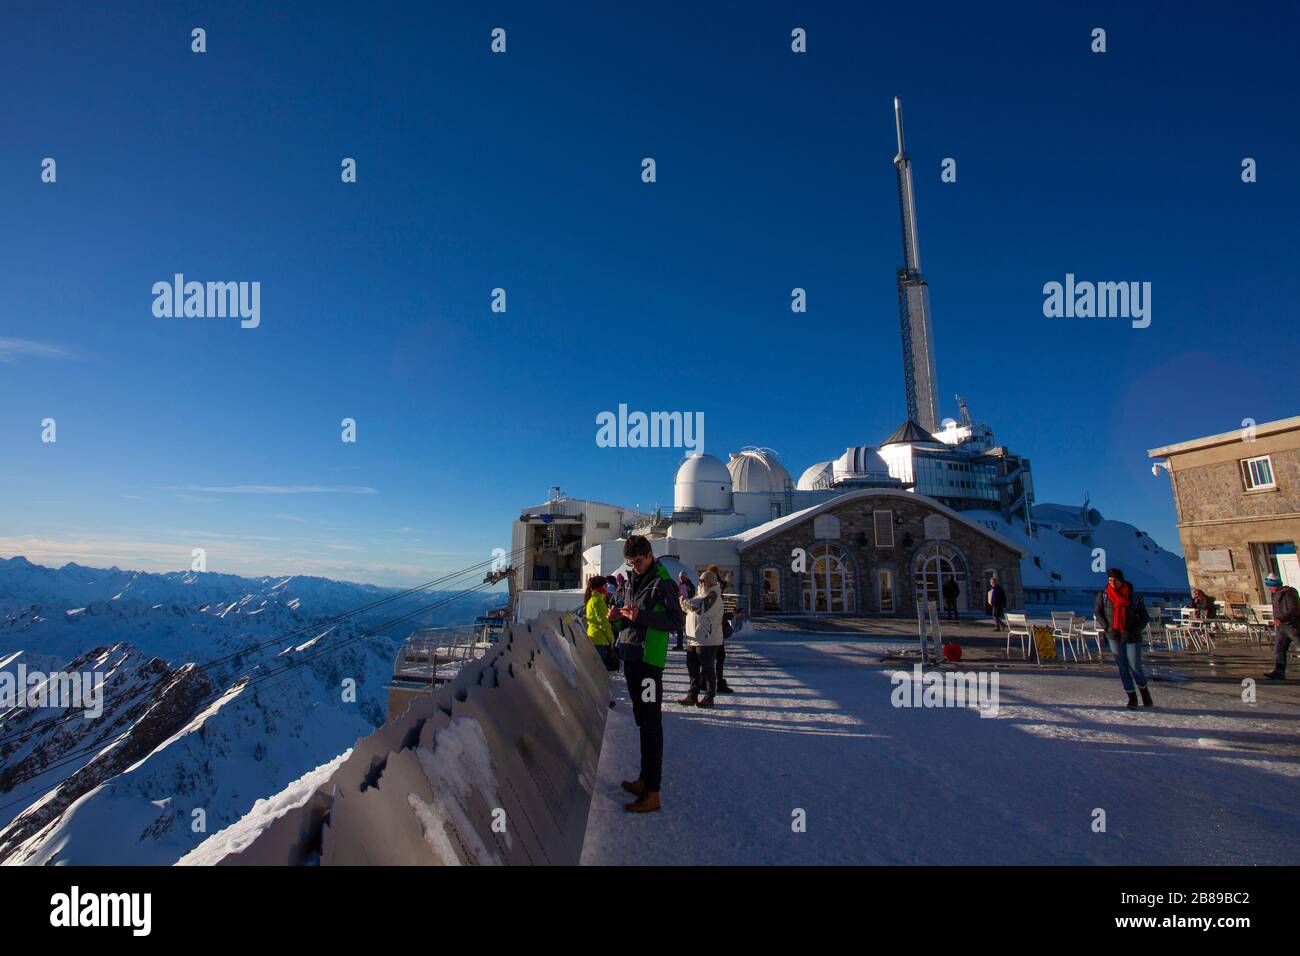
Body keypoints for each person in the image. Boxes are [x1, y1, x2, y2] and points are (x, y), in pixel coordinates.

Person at [609, 535, 683, 813]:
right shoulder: (631, 580)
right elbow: (630, 614)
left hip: (649, 661)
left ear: (650, 554)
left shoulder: (663, 582)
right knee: (642, 721)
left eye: (639, 562)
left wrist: (639, 616)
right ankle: (644, 779)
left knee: (651, 725)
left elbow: (676, 621)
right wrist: (617, 618)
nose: (635, 566)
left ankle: (653, 792)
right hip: (631, 654)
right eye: (631, 563)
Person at [1094, 567, 1153, 708]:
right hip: (1113, 635)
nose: (1113, 583)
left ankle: (1145, 693)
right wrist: (1106, 627)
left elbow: (1144, 616)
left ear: (1121, 581)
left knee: (1135, 666)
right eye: (1110, 580)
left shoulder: (1133, 596)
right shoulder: (1104, 595)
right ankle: (1132, 698)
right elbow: (1098, 611)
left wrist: (1135, 630)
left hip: (1131, 636)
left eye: (1115, 580)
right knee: (1122, 667)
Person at [678, 570, 724, 708]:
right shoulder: (699, 594)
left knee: (708, 669)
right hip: (693, 638)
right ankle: (692, 695)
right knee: (692, 668)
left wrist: (685, 602)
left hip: (707, 639)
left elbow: (701, 609)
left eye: (703, 580)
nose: (700, 582)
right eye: (700, 580)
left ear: (711, 581)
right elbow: (689, 608)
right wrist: (683, 601)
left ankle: (709, 697)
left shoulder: (714, 595)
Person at [1262, 574, 1300, 680]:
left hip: (1292, 626)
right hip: (1281, 627)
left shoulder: (1289, 593)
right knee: (1279, 649)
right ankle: (1279, 672)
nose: (1269, 588)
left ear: (1277, 585)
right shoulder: (1275, 594)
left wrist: (1281, 619)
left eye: (1271, 586)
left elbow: (1294, 609)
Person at [706, 564, 734, 692]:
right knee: (719, 656)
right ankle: (717, 682)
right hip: (716, 629)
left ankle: (704, 681)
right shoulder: (715, 593)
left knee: (708, 657)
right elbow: (717, 612)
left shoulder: (705, 591)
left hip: (708, 629)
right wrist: (731, 614)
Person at [583, 576, 619, 672]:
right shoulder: (598, 601)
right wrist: (612, 640)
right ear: (600, 587)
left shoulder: (593, 599)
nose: (607, 588)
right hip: (598, 639)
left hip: (594, 636)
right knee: (598, 670)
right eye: (605, 585)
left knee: (595, 669)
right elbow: (604, 623)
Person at [675, 571, 693, 650]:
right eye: (680, 577)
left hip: (687, 609)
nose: (681, 579)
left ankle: (690, 644)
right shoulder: (680, 585)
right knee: (680, 627)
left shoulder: (689, 585)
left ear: (686, 577)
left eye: (682, 577)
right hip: (680, 608)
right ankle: (680, 644)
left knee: (687, 627)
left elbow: (691, 594)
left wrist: (684, 594)